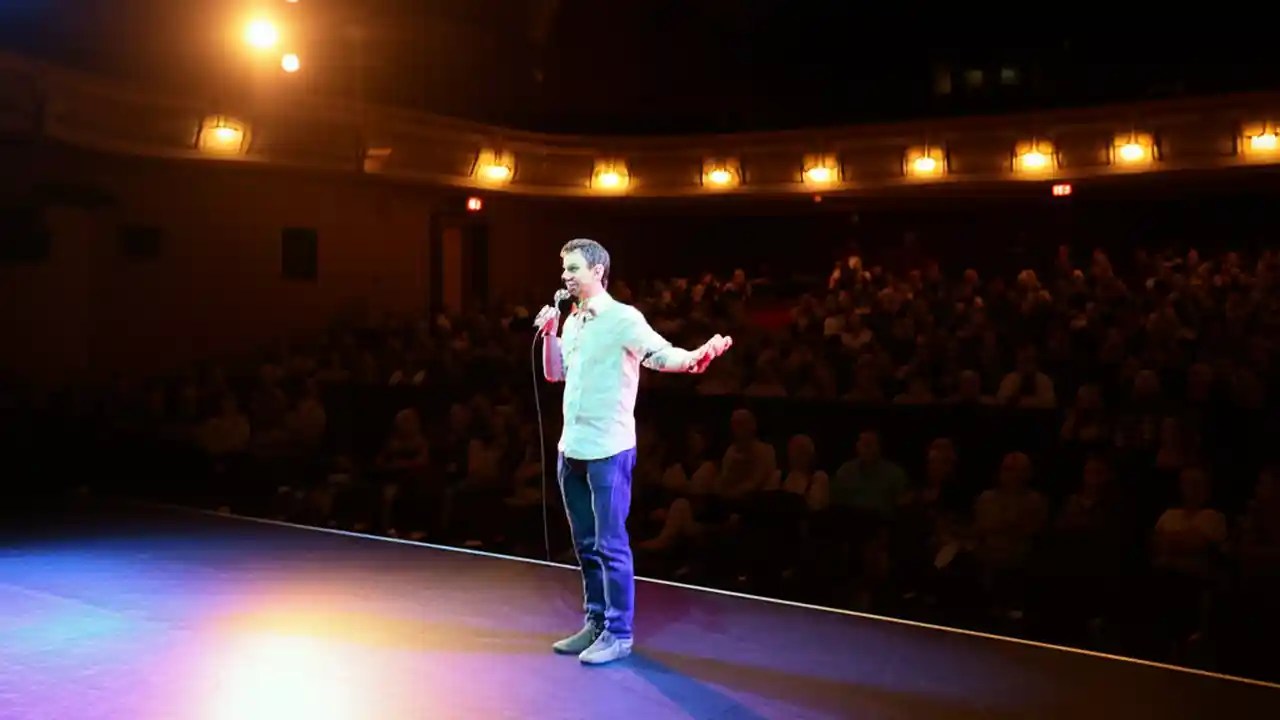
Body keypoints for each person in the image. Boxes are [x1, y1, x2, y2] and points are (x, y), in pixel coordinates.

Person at [534, 238, 732, 664]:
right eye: (564, 269)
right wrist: (550, 333)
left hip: (609, 450)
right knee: (585, 544)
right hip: (572, 449)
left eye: (573, 268)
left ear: (597, 271)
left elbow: (658, 353)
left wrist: (693, 358)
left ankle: (619, 634)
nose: (565, 276)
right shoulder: (573, 321)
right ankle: (595, 623)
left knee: (610, 545)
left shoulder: (623, 318)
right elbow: (554, 374)